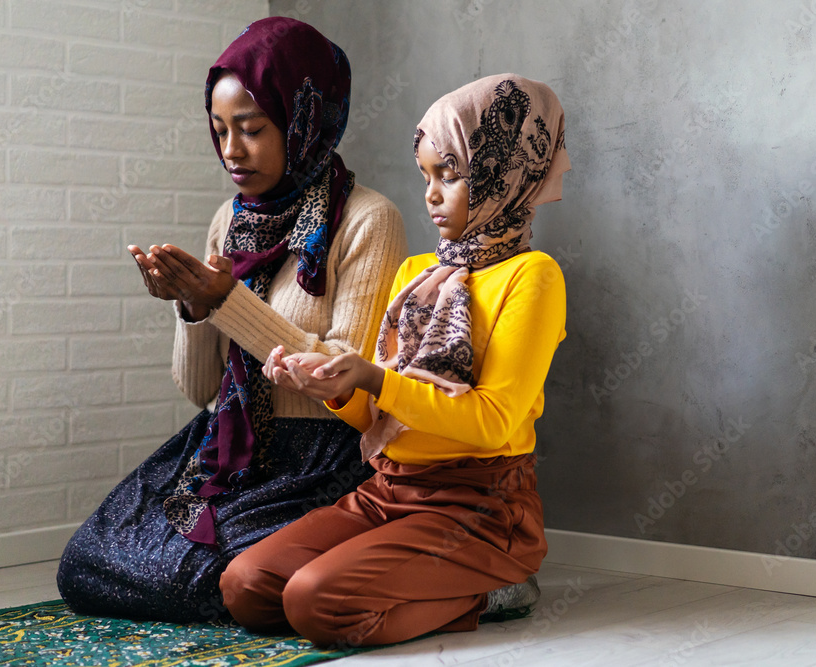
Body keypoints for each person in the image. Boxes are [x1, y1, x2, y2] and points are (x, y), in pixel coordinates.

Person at [56, 17, 407, 623]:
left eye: (253, 129)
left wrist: (229, 304)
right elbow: (200, 392)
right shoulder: (231, 219)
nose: (231, 151)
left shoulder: (369, 221)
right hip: (226, 449)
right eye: (219, 130)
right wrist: (192, 310)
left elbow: (347, 384)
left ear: (303, 122)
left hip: (322, 458)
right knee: (86, 562)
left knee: (217, 576)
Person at [218, 73, 570, 647]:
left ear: (506, 174)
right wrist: (331, 387)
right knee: (246, 586)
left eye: (449, 174)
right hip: (386, 490)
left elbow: (492, 422)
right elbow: (385, 416)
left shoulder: (532, 277)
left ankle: (495, 584)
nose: (430, 193)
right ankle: (423, 583)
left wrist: (375, 378)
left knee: (315, 604)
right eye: (426, 176)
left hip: (477, 507)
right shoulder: (415, 275)